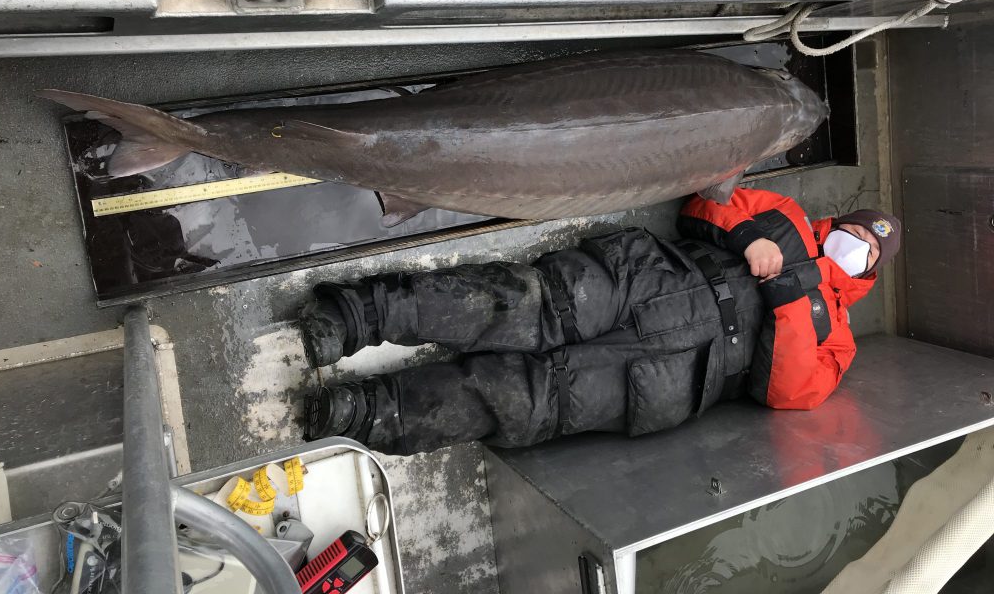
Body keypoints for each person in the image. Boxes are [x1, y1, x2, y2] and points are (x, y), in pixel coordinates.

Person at [297, 188, 901, 456]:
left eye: (865, 253)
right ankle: (353, 315)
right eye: (852, 233)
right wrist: (747, 239)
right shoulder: (788, 217)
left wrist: (795, 300)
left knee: (524, 401)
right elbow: (706, 203)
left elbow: (790, 391)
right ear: (839, 222)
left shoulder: (837, 339)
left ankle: (369, 412)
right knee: (516, 302)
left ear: (869, 275)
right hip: (644, 280)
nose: (852, 247)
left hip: (669, 378)